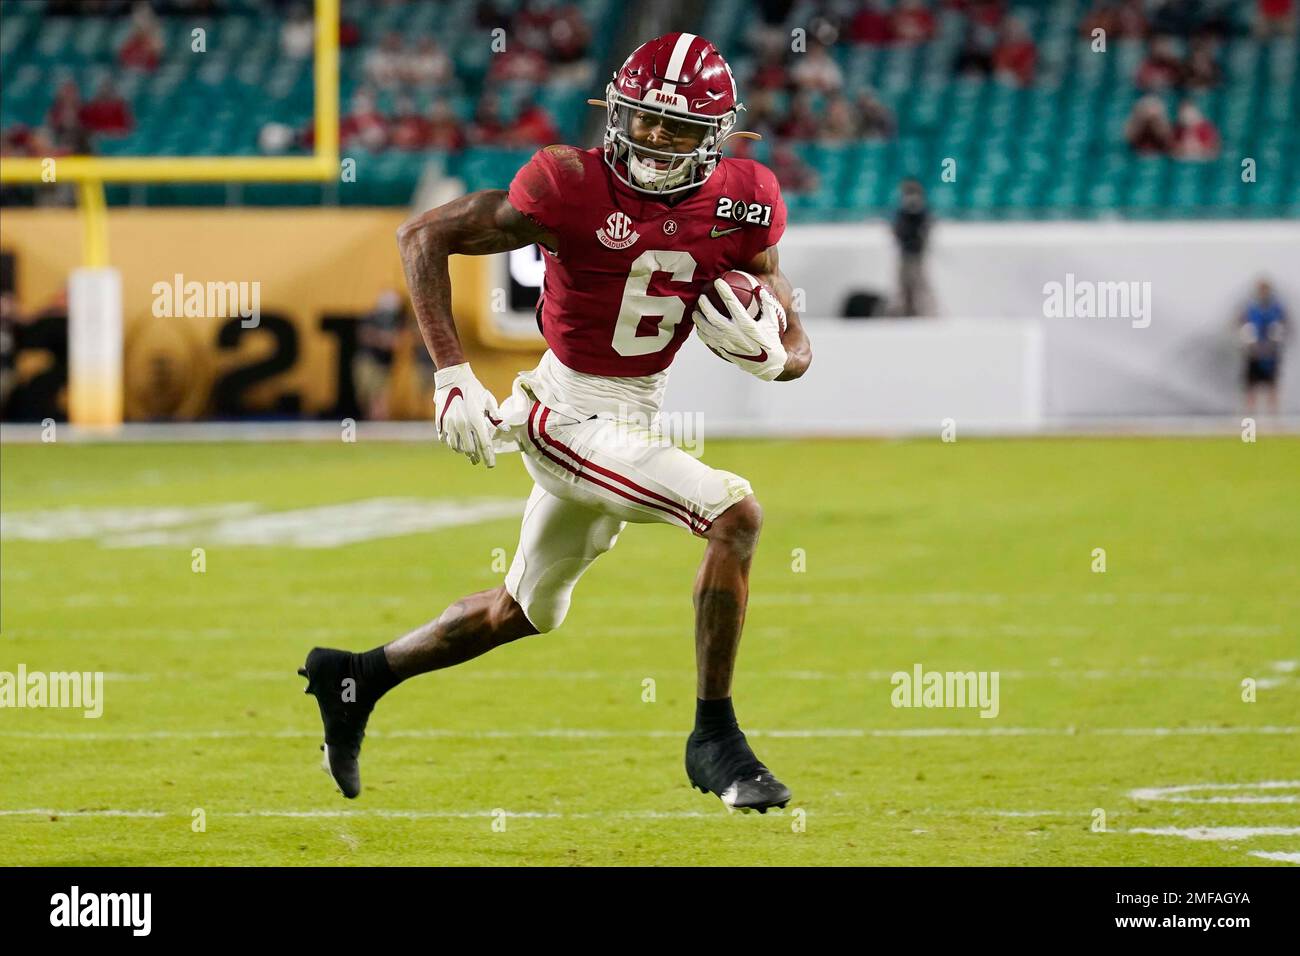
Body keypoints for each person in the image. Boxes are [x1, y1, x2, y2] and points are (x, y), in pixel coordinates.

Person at [300, 32, 812, 814]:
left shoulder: (747, 197)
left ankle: (356, 678)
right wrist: (452, 369)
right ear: (615, 114)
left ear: (716, 137)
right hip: (563, 412)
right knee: (733, 513)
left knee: (524, 611)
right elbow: (422, 235)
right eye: (642, 122)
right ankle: (715, 739)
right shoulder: (568, 182)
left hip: (634, 412)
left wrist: (781, 358)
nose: (654, 143)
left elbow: (793, 327)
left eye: (676, 131)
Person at [1239, 278, 1288, 415]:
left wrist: (1276, 338)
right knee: (1250, 387)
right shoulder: (1251, 308)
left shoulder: (1277, 308)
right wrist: (1247, 339)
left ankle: (1273, 418)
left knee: (1272, 387)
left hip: (1271, 354)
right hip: (1253, 353)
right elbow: (1242, 324)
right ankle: (1249, 417)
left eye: (1265, 289)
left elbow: (1284, 325)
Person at [892, 178, 933, 316]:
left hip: (916, 252)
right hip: (905, 252)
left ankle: (926, 310)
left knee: (919, 281)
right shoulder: (902, 212)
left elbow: (925, 229)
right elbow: (898, 230)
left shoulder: (920, 212)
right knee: (904, 282)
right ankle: (906, 310)